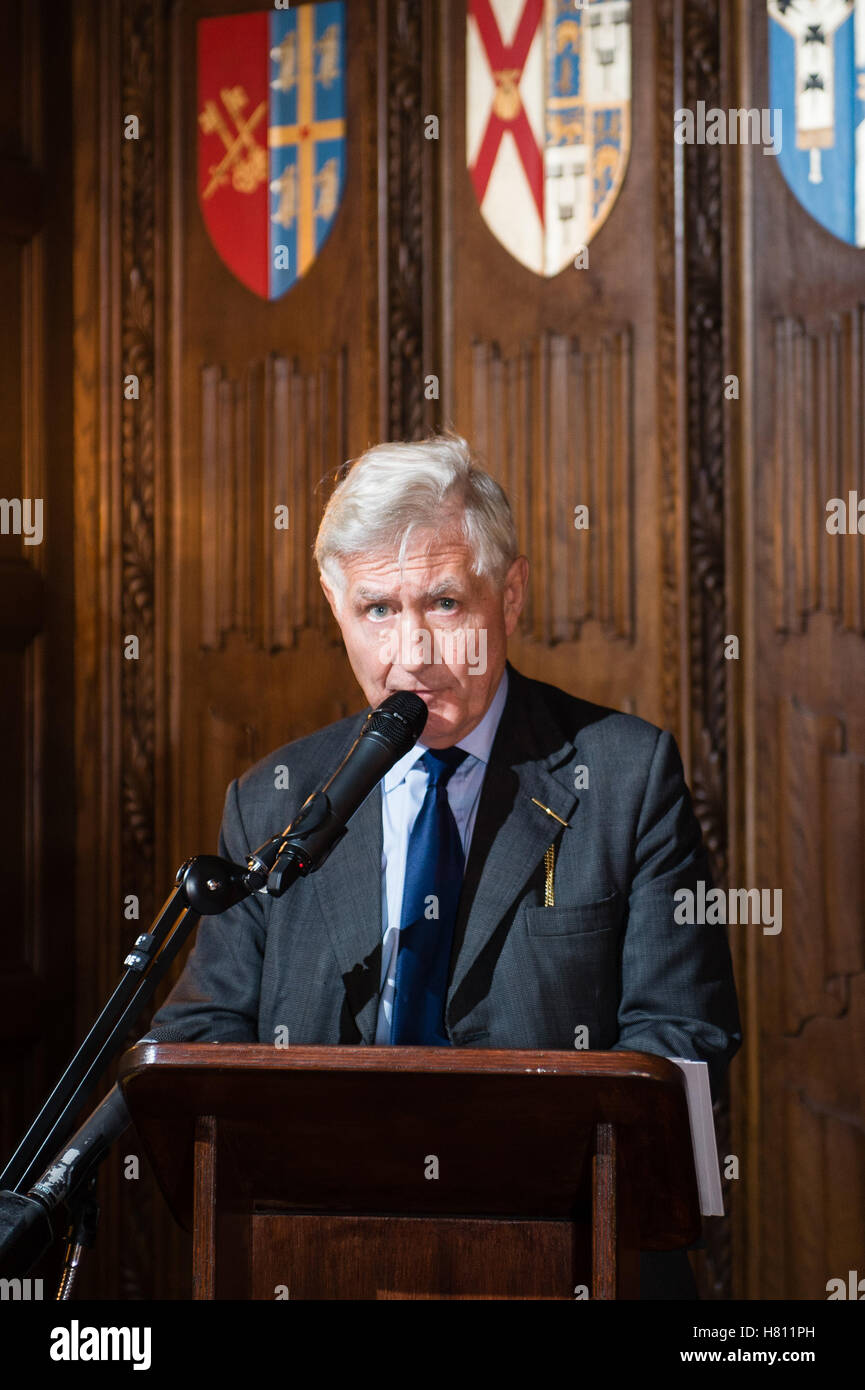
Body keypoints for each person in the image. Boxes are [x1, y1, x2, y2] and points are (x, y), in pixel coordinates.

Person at [149, 433, 741, 1299]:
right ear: (332, 605)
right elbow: (200, 1041)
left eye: (444, 602)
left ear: (512, 595)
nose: (413, 653)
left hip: (572, 1260)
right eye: (376, 609)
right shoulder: (274, 799)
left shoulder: (623, 775)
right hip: (320, 1261)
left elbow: (681, 1041)